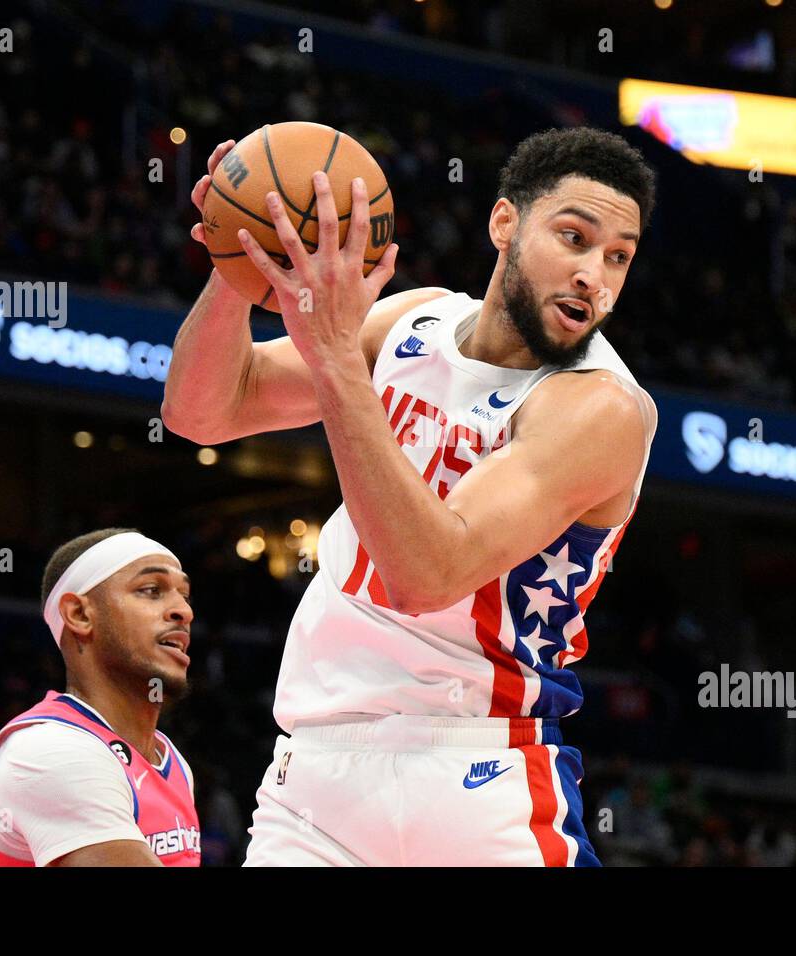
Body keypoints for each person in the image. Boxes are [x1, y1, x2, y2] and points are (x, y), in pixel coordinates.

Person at [164, 126, 659, 866]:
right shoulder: (414, 320)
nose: (596, 275)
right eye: (574, 237)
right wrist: (235, 261)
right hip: (317, 774)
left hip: (475, 776)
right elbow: (203, 411)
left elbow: (428, 575)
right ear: (504, 225)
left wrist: (333, 358)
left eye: (618, 257)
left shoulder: (599, 408)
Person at [0, 529, 200, 866]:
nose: (183, 612)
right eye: (151, 591)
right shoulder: (51, 749)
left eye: (184, 595)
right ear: (80, 615)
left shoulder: (170, 760)